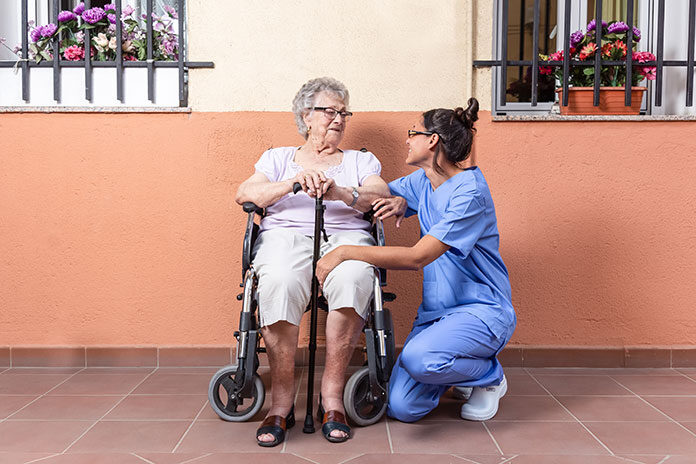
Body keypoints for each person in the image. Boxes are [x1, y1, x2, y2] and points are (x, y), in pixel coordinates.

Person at [316, 98, 516, 423]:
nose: (407, 140)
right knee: (403, 407)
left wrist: (343, 253)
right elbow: (372, 197)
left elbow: (417, 257)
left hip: (482, 312)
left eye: (413, 132)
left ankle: (489, 376)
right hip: (436, 315)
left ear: (433, 140)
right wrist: (339, 191)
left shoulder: (470, 194)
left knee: (420, 358)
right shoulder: (422, 181)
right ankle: (455, 373)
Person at [235, 77, 391, 445]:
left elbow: (379, 194)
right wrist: (292, 183)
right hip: (285, 237)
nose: (338, 119)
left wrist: (341, 191)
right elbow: (245, 193)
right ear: (306, 115)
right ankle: (282, 403)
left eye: (344, 113)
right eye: (330, 111)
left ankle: (332, 398)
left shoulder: (360, 160)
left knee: (355, 278)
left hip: (346, 239)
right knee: (278, 282)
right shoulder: (276, 158)